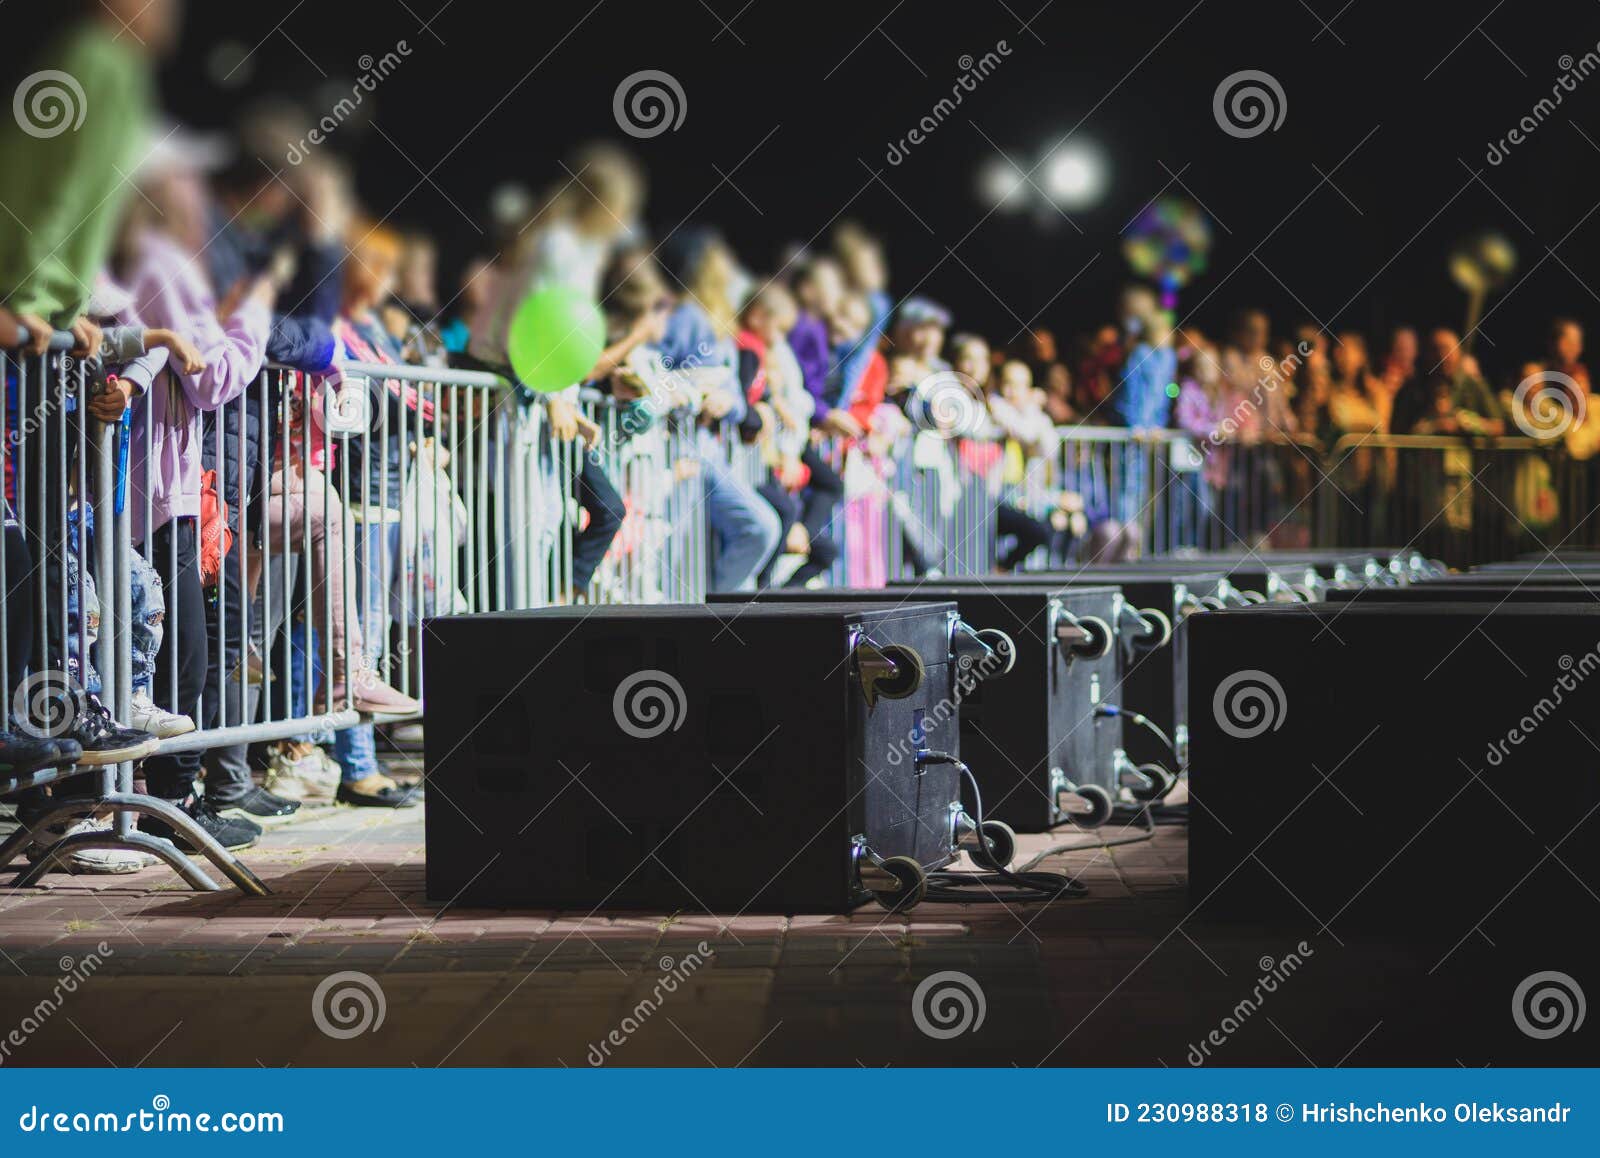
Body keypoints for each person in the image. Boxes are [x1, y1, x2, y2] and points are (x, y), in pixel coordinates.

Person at [0, 0, 175, 766]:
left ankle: (50, 712)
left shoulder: (112, 70)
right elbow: (47, 193)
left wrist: (75, 313)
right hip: (26, 329)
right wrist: (27, 300)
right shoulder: (99, 64)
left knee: (48, 550)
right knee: (34, 550)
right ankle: (36, 717)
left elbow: (73, 211)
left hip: (44, 334)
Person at [1391, 329, 1505, 436]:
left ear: (1458, 352)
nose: (1441, 356)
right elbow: (1397, 430)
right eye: (1435, 350)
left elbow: (1498, 426)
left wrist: (1469, 424)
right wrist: (1433, 424)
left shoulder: (1473, 386)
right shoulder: (1413, 389)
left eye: (1446, 349)